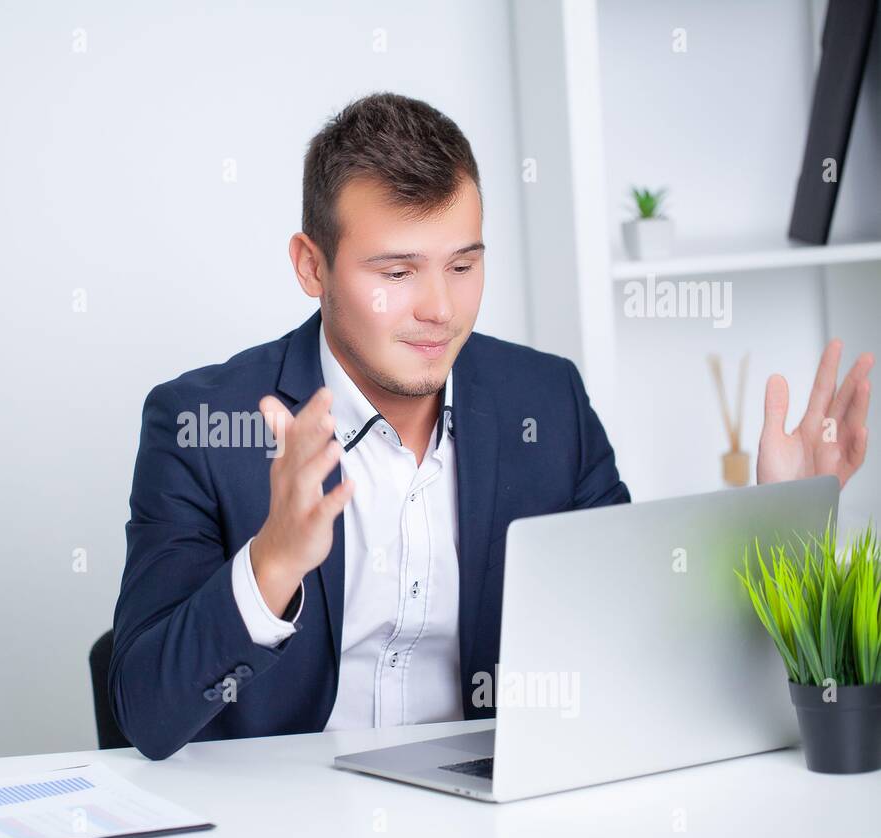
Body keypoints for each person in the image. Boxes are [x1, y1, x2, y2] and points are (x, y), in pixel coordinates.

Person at [110, 92, 874, 761]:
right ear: (312, 266)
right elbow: (146, 714)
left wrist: (787, 524)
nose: (440, 310)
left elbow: (638, 643)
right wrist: (273, 563)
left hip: (496, 814)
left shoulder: (547, 402)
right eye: (397, 273)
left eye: (463, 266)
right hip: (286, 828)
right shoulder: (201, 425)